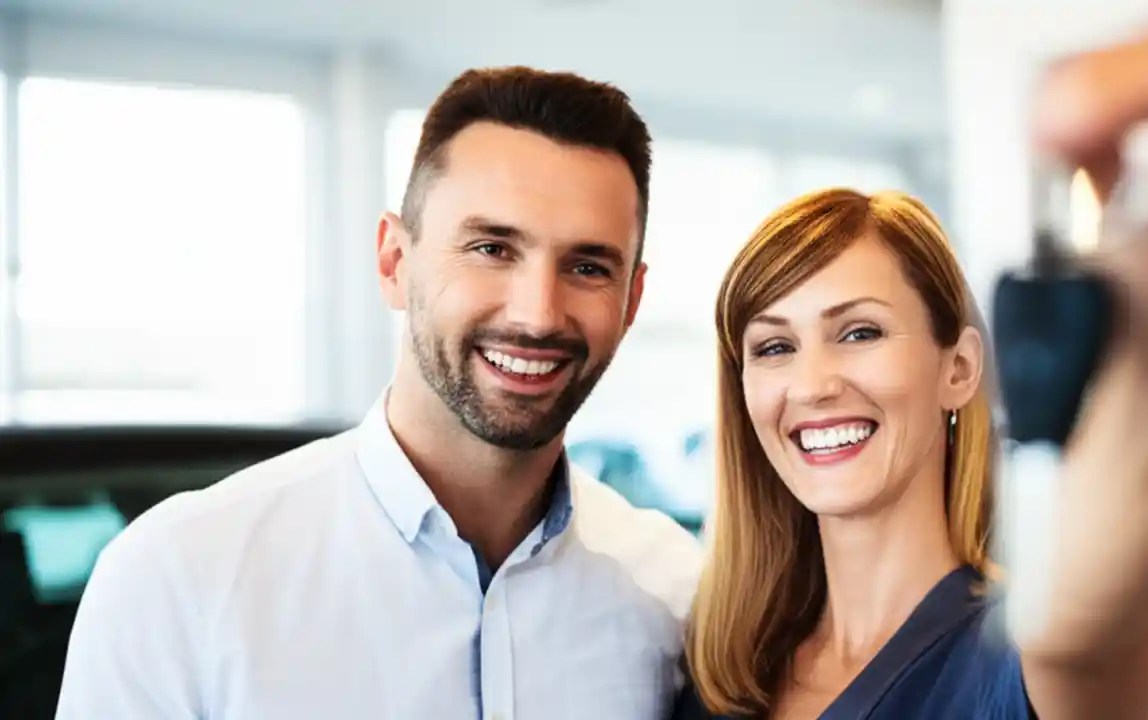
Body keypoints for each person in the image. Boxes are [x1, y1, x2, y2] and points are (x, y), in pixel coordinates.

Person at [674, 17, 1148, 720]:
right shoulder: (714, 673)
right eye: (774, 347)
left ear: (959, 367)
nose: (812, 385)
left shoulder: (1023, 664)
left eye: (859, 331)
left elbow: (1087, 637)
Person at [56, 67, 702, 720]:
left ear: (631, 302)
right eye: (490, 248)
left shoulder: (674, 590)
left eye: (587, 267)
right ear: (394, 262)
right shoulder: (179, 578)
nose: (537, 314)